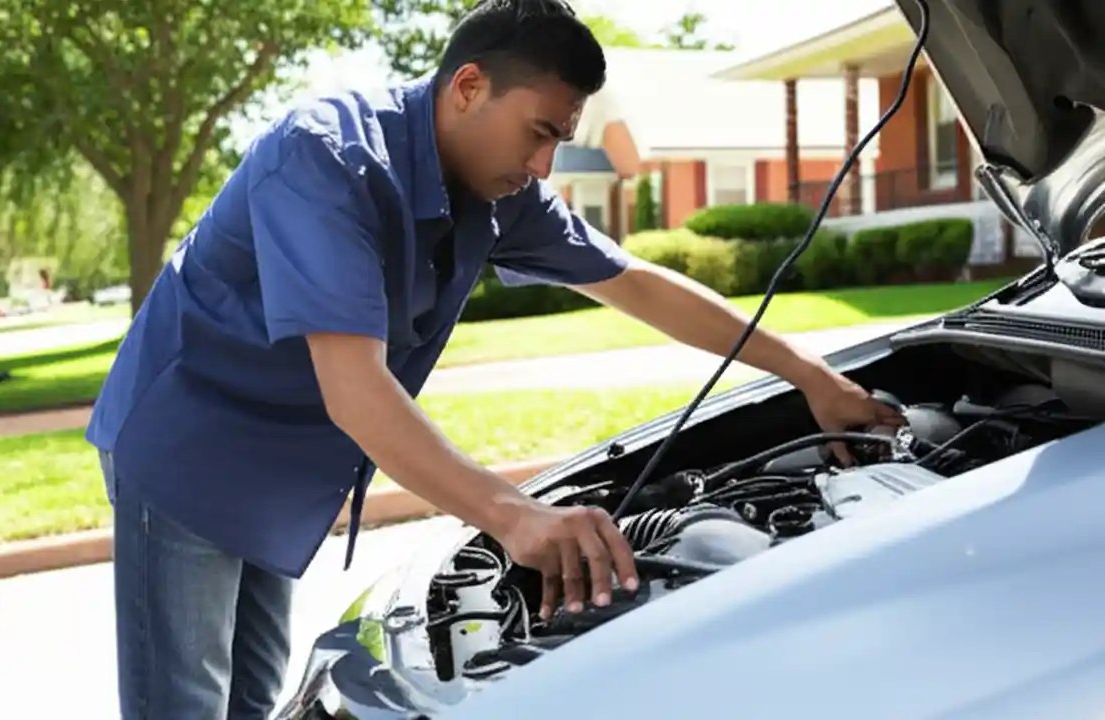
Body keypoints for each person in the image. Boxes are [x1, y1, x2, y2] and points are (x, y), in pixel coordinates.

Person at [85, 0, 905, 717]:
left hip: (279, 466)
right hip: (188, 448)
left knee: (251, 702)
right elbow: (356, 390)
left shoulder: (493, 186)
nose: (545, 165)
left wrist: (812, 377)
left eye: (561, 139)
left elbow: (635, 284)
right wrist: (514, 516)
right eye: (540, 132)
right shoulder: (325, 160)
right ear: (469, 87)